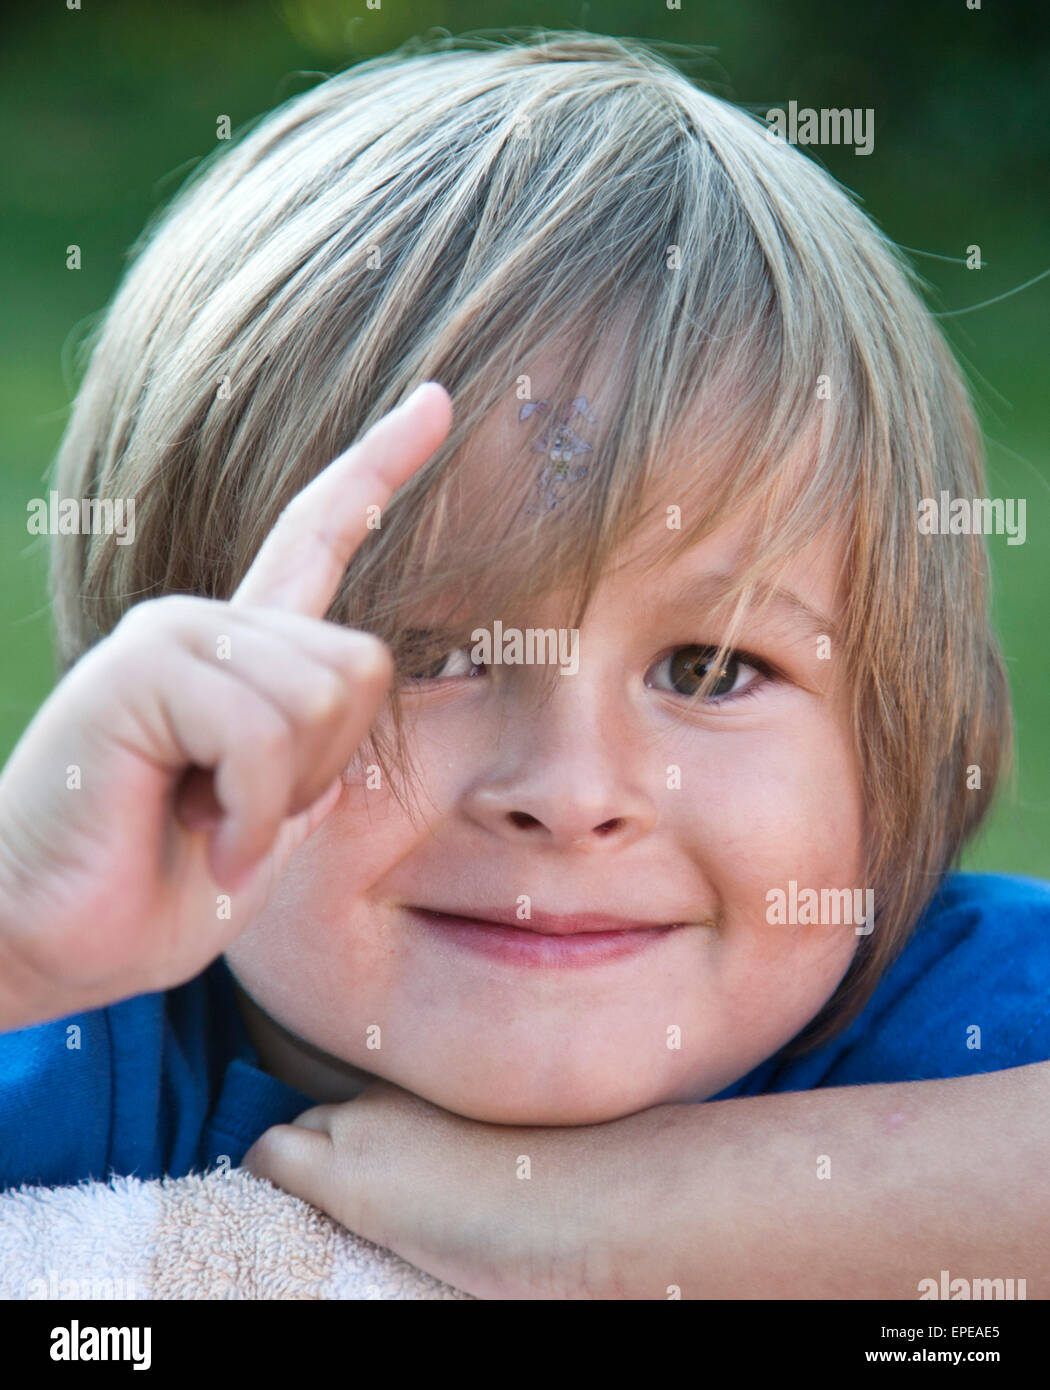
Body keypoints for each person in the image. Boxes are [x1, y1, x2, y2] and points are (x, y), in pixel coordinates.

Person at [1, 32, 1047, 1299]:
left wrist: (622, 1214)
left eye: (711, 669)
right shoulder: (75, 1043)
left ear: (904, 762)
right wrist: (28, 939)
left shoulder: (964, 1012)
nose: (568, 786)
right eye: (428, 653)